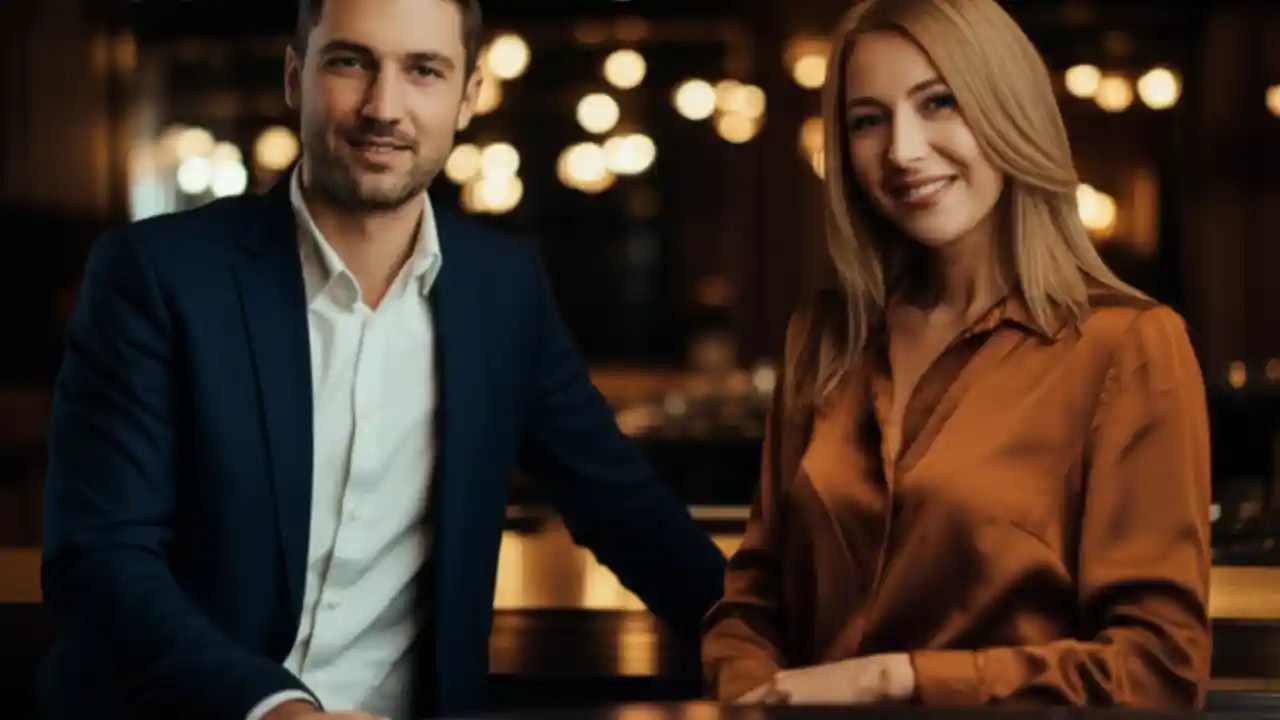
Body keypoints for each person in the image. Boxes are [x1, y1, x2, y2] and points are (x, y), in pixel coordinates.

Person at [39, 0, 727, 718]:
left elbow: (624, 508)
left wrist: (759, 641)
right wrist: (279, 711)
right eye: (350, 62)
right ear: (294, 76)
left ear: (468, 97)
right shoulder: (156, 274)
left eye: (423, 70)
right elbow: (100, 560)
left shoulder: (502, 289)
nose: (382, 107)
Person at [702, 0, 1212, 709]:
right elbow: (752, 607)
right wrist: (753, 691)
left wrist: (895, 679)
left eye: (938, 102)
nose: (903, 151)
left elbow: (1157, 668)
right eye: (867, 120)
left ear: (1009, 110)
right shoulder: (825, 335)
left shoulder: (1129, 346)